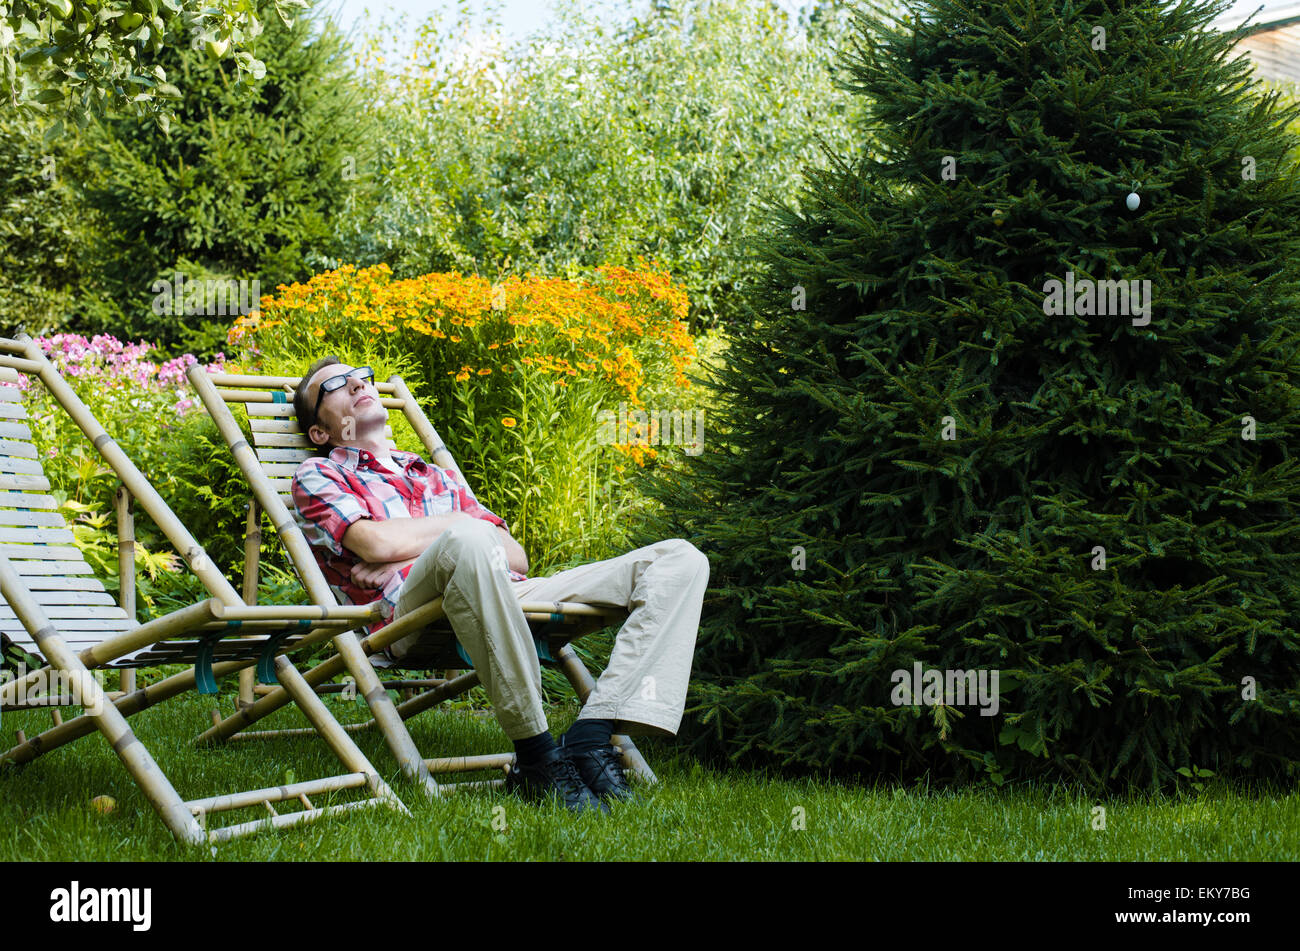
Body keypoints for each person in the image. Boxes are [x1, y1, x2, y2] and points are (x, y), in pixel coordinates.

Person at [289, 356, 709, 815]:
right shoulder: (319, 474)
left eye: (362, 376)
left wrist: (410, 549)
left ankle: (590, 735)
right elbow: (373, 540)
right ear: (320, 432)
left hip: (505, 587)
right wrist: (454, 530)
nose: (356, 383)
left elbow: (515, 556)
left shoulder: (434, 474)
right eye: (334, 384)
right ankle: (537, 755)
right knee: (467, 538)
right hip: (407, 614)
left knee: (679, 560)